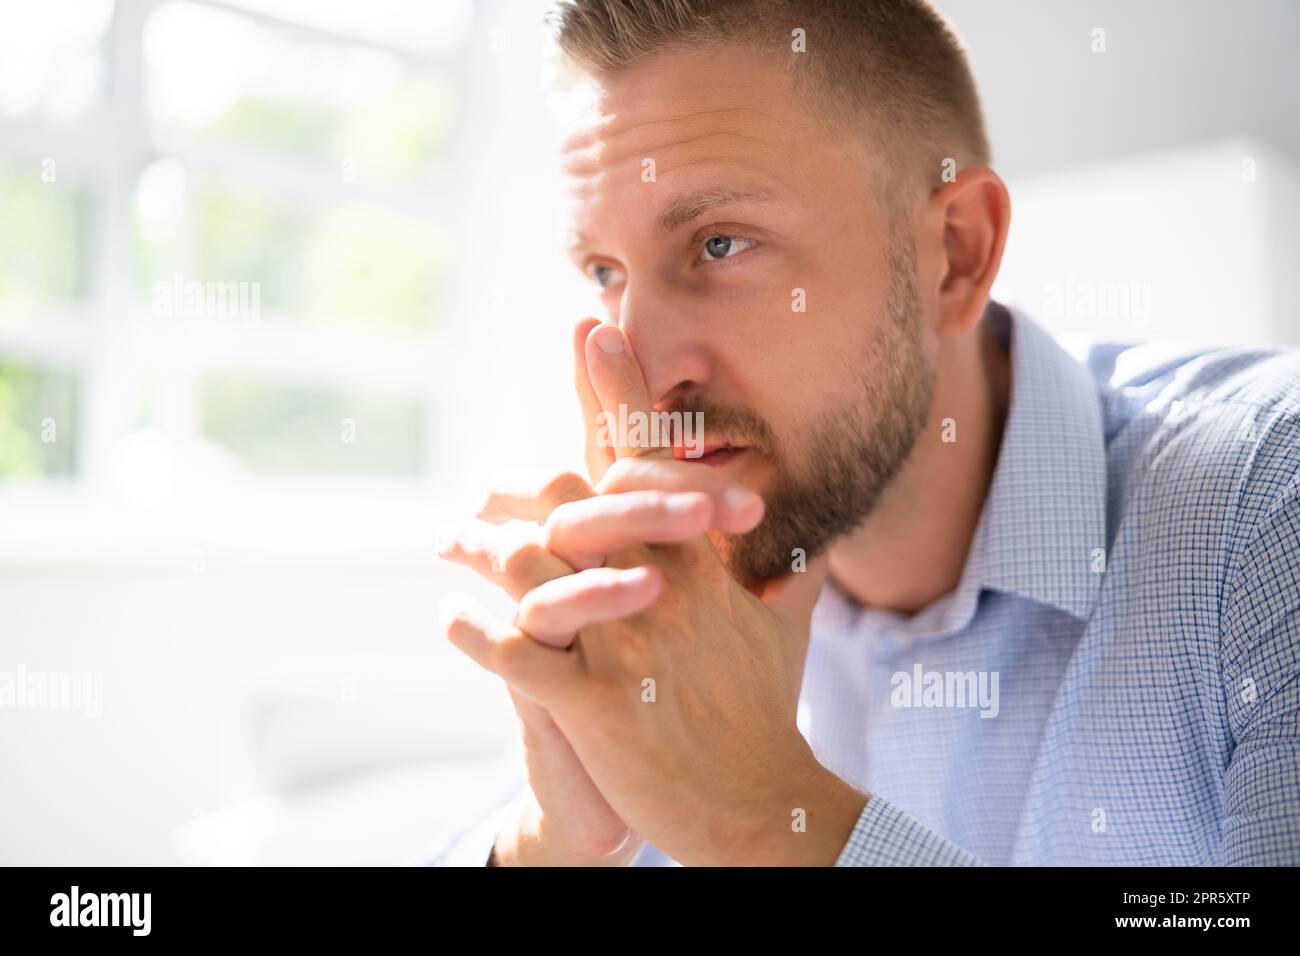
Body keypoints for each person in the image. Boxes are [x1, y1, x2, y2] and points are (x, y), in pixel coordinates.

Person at [431, 0, 1300, 866]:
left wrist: (760, 814)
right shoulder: (669, 589)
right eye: (603, 271)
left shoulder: (1267, 501)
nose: (648, 371)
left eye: (722, 244)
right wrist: (552, 846)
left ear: (955, 254)